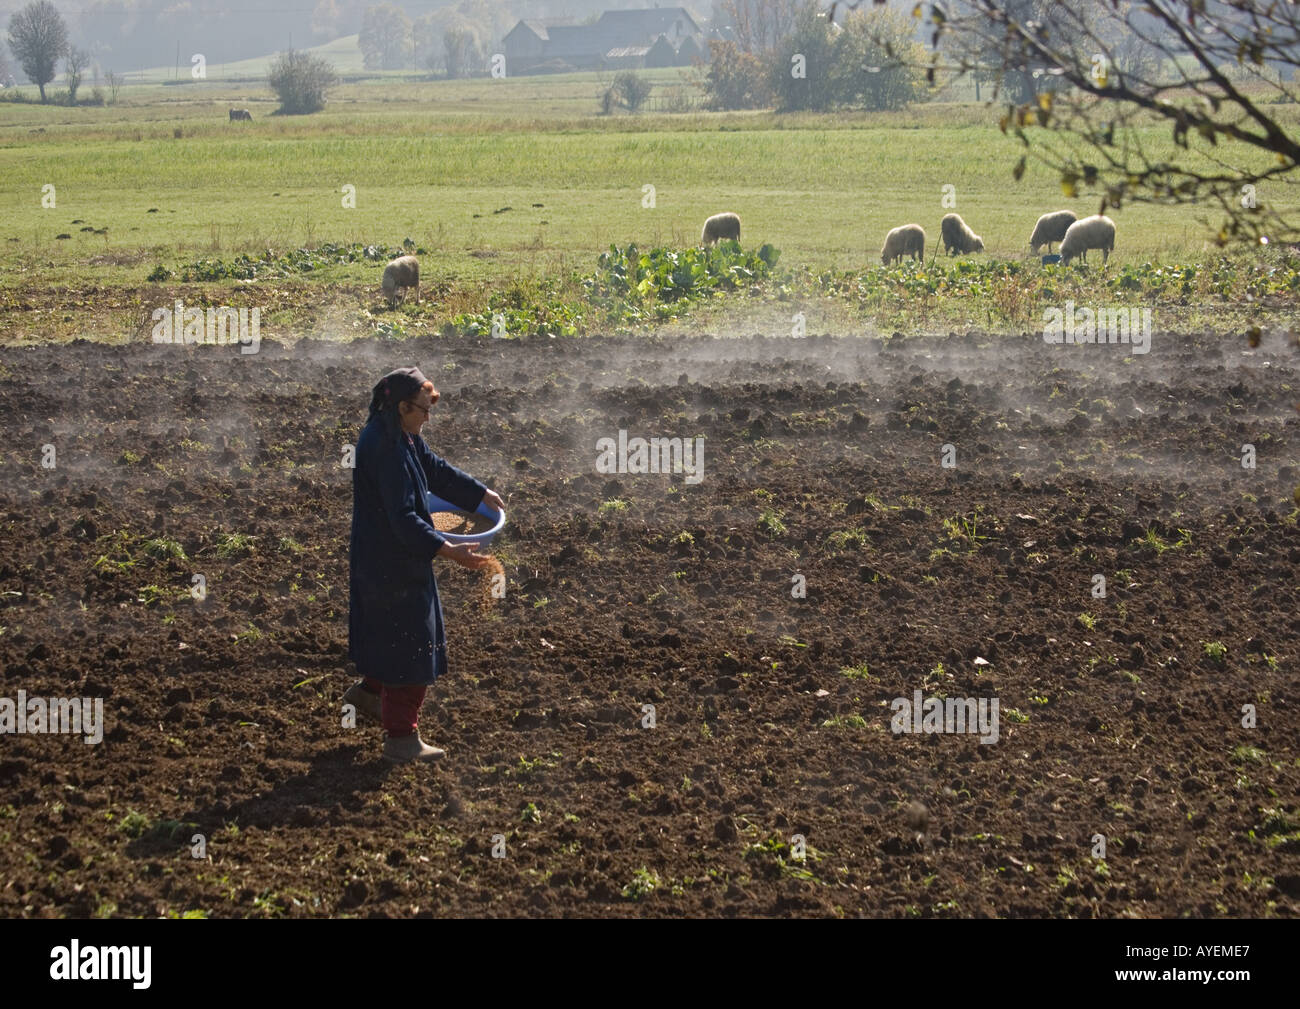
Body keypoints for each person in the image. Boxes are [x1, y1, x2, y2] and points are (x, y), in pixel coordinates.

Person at [343, 367, 504, 763]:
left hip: (388, 556)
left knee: (387, 633)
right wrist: (448, 549)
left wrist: (479, 493)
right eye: (422, 410)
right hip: (392, 560)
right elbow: (403, 519)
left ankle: (367, 695)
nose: (427, 418)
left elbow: (435, 470)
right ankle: (401, 739)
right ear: (401, 406)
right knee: (412, 645)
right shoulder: (386, 449)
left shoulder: (402, 436)